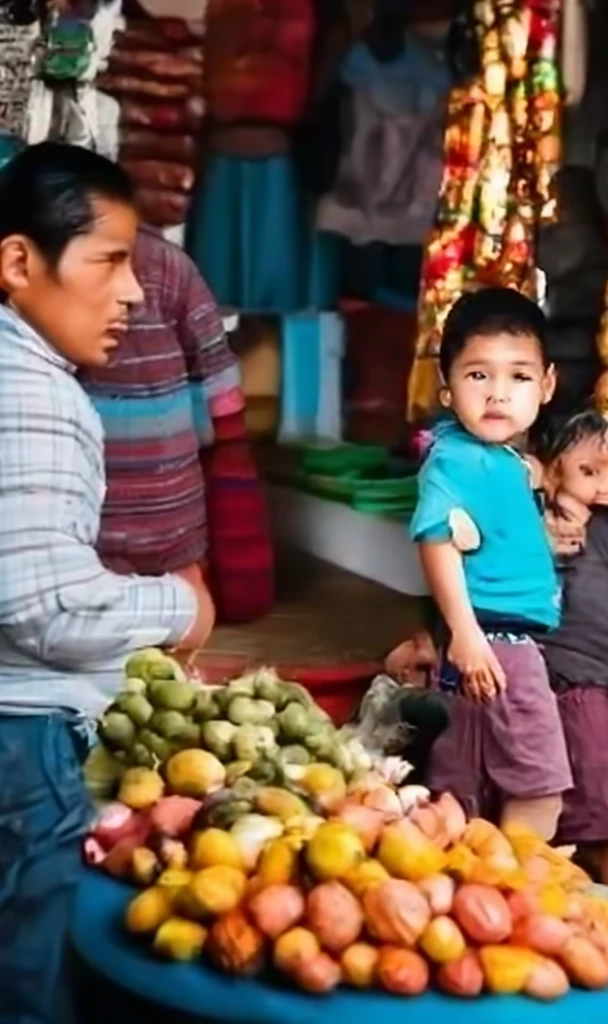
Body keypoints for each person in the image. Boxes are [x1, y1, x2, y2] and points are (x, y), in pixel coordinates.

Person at [0, 142, 213, 1024]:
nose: (132, 291)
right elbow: (44, 606)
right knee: (34, 992)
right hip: (22, 744)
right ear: (18, 262)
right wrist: (180, 604)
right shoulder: (33, 393)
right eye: (111, 261)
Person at [409, 286, 571, 840]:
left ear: (546, 385)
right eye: (478, 375)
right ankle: (518, 892)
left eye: (519, 377)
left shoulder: (496, 460)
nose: (498, 393)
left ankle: (476, 898)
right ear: (447, 387)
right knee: (538, 787)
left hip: (487, 644)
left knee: (464, 789)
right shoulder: (455, 461)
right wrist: (466, 634)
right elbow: (436, 541)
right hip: (497, 645)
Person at [78, 225, 274, 624]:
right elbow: (218, 384)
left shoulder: (168, 267)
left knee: (174, 641)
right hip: (98, 534)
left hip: (169, 532)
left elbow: (217, 381)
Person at [534, 409, 608, 886]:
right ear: (554, 469)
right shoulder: (554, 524)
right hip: (568, 680)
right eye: (589, 471)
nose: (607, 486)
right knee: (586, 799)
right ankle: (568, 886)